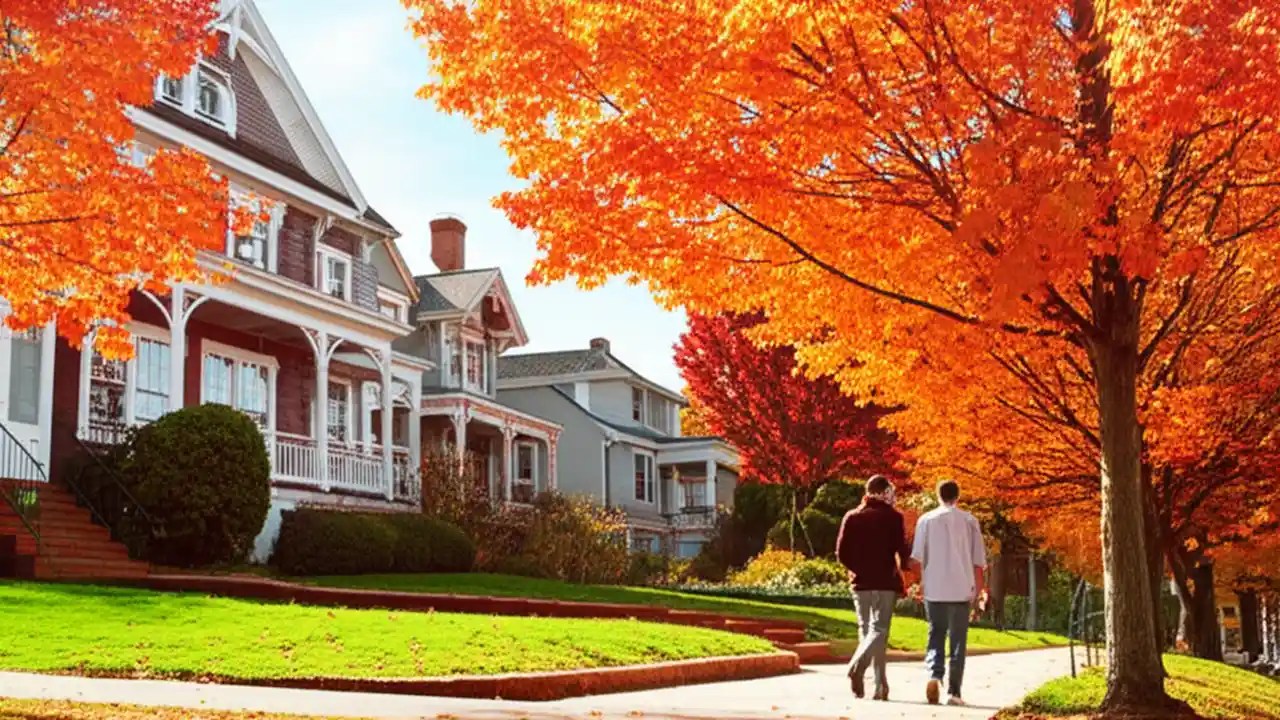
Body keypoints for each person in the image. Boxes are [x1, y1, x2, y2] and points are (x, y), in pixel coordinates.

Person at [835, 474, 914, 701]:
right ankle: (859, 669)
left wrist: (857, 569)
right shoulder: (893, 518)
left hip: (860, 583)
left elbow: (841, 553)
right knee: (879, 631)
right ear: (885, 491)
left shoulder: (852, 517)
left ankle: (880, 686)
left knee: (867, 631)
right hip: (885, 583)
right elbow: (901, 550)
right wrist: (907, 568)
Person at [911, 479, 987, 706]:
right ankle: (954, 692)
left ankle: (934, 674)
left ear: (938, 495)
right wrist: (980, 590)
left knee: (935, 634)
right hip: (962, 589)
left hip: (934, 588)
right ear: (958, 496)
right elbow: (978, 562)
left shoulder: (925, 520)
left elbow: (917, 558)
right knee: (957, 641)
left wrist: (918, 583)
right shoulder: (970, 521)